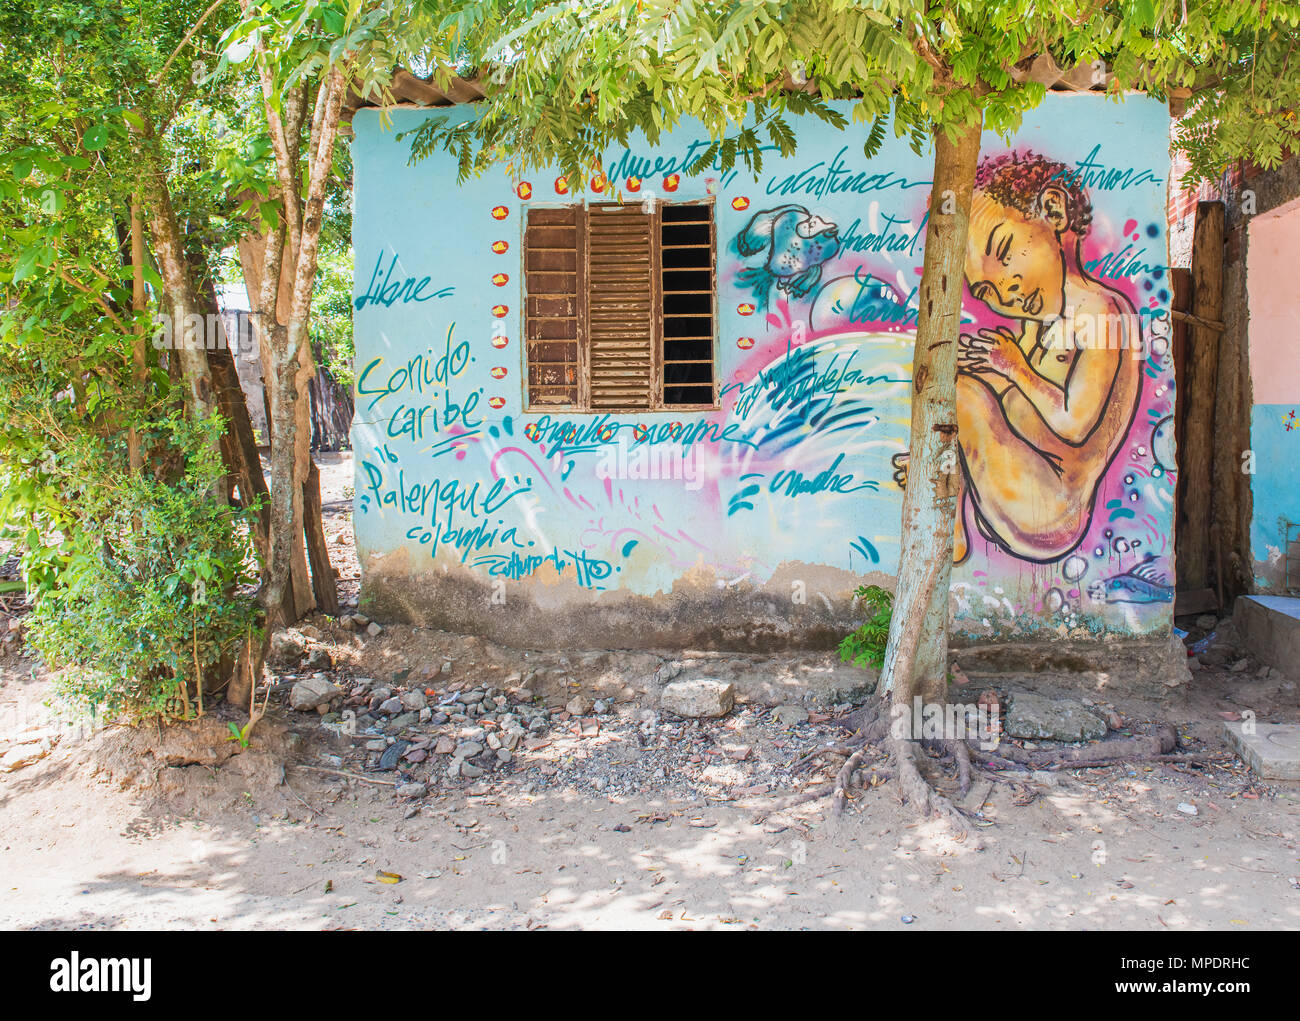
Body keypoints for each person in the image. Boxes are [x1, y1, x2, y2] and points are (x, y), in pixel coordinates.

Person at [894, 150, 1143, 564]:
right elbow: (1015, 406)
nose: (1004, 291)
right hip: (1018, 487)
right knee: (956, 385)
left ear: (1053, 211)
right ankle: (943, 476)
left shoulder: (1104, 313)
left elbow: (1074, 424)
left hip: (1052, 506)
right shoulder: (1037, 323)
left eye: (1004, 250)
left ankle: (948, 516)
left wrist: (1012, 367)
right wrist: (988, 368)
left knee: (963, 395)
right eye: (985, 291)